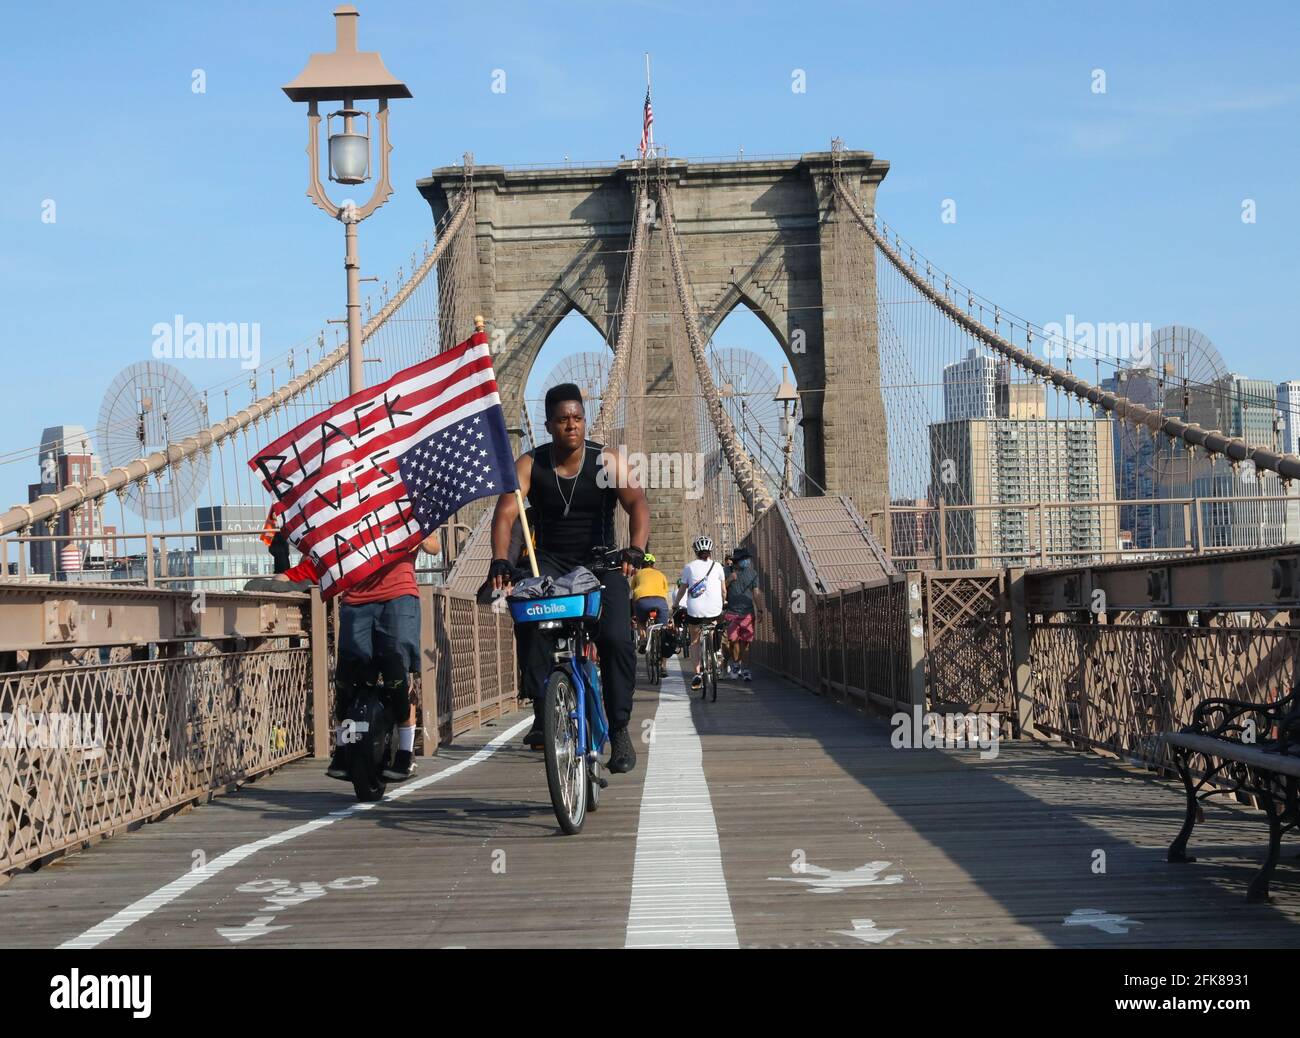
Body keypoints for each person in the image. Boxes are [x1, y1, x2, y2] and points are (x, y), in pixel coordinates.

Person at [488, 382, 650, 774]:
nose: (572, 426)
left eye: (577, 418)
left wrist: (635, 548)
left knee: (615, 639)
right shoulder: (531, 463)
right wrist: (499, 560)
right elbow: (507, 513)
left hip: (600, 565)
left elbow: (638, 503)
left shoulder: (607, 461)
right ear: (549, 425)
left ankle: (621, 728)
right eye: (563, 420)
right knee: (528, 618)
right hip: (548, 566)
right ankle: (544, 708)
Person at [276, 530, 442, 782]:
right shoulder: (347, 507)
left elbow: (434, 546)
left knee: (397, 677)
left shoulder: (405, 503)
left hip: (398, 597)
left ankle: (406, 754)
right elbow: (324, 555)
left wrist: (417, 536)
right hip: (356, 600)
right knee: (347, 680)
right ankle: (343, 748)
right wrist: (284, 578)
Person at [672, 534, 727, 691]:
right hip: (715, 611)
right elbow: (723, 591)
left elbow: (682, 589)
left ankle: (697, 673)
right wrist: (723, 603)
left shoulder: (689, 567)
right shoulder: (718, 567)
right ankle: (716, 652)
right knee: (715, 626)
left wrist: (675, 605)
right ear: (710, 551)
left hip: (695, 612)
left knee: (695, 641)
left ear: (695, 551)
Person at [723, 547, 759, 681]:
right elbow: (720, 589)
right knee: (733, 640)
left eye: (747, 559)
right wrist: (729, 580)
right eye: (744, 559)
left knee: (746, 642)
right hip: (732, 612)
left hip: (747, 613)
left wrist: (759, 610)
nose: (747, 562)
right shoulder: (726, 571)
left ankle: (745, 669)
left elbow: (756, 592)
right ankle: (736, 663)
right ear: (737, 561)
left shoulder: (752, 573)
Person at [631, 551, 670, 652]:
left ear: (642, 565)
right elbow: (665, 590)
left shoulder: (638, 574)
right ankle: (661, 642)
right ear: (653, 564)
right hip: (659, 601)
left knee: (640, 621)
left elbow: (633, 588)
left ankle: (643, 639)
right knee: (663, 626)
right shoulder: (660, 574)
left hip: (642, 601)